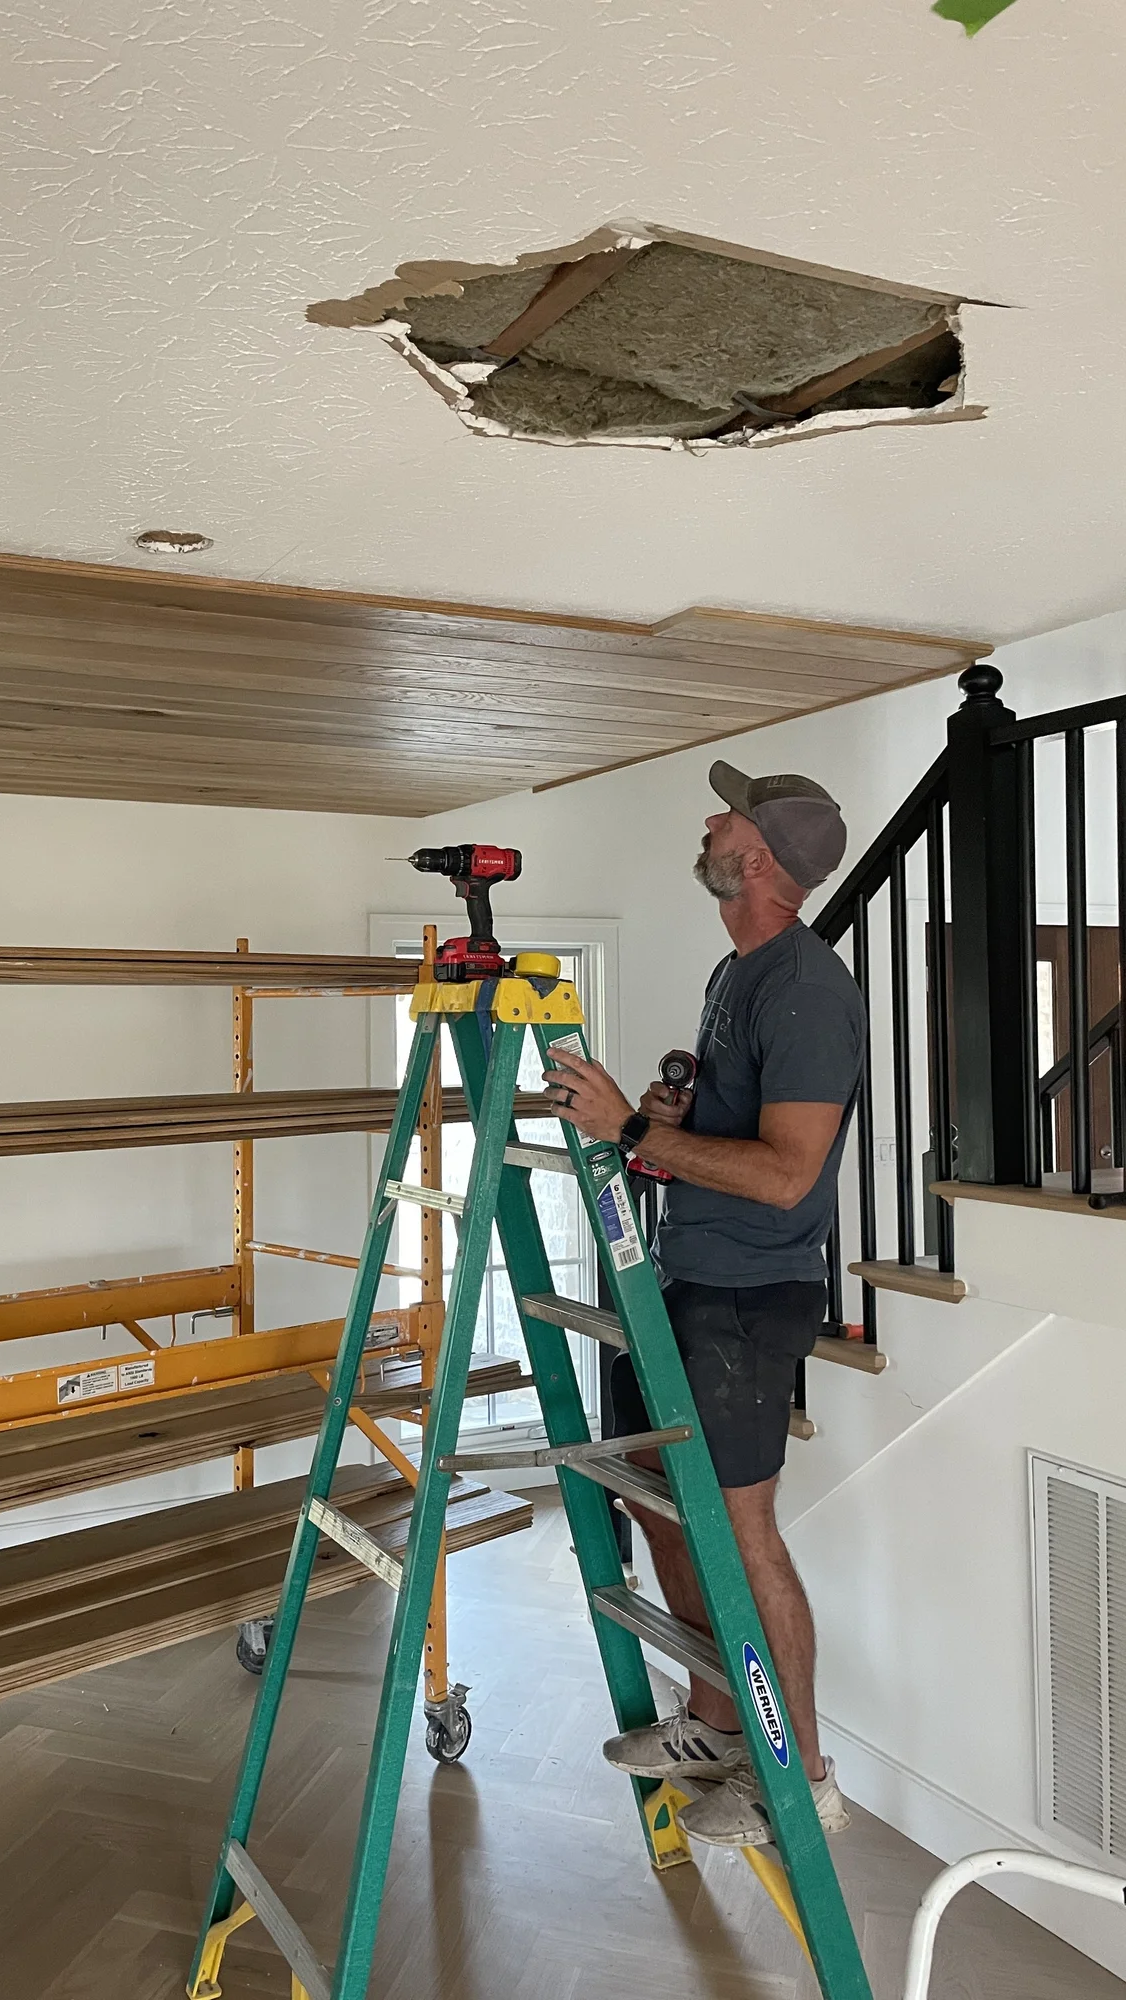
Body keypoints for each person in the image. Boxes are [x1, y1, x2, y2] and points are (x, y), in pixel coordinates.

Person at [542, 759, 865, 1849]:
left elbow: (785, 1174)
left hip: (747, 1296)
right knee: (646, 1487)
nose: (708, 820)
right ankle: (719, 1717)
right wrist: (677, 1111)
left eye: (726, 812)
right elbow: (734, 1134)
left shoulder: (811, 990)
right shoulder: (741, 974)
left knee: (738, 1522)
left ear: (758, 857)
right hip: (684, 1274)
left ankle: (804, 1774)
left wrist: (636, 1132)